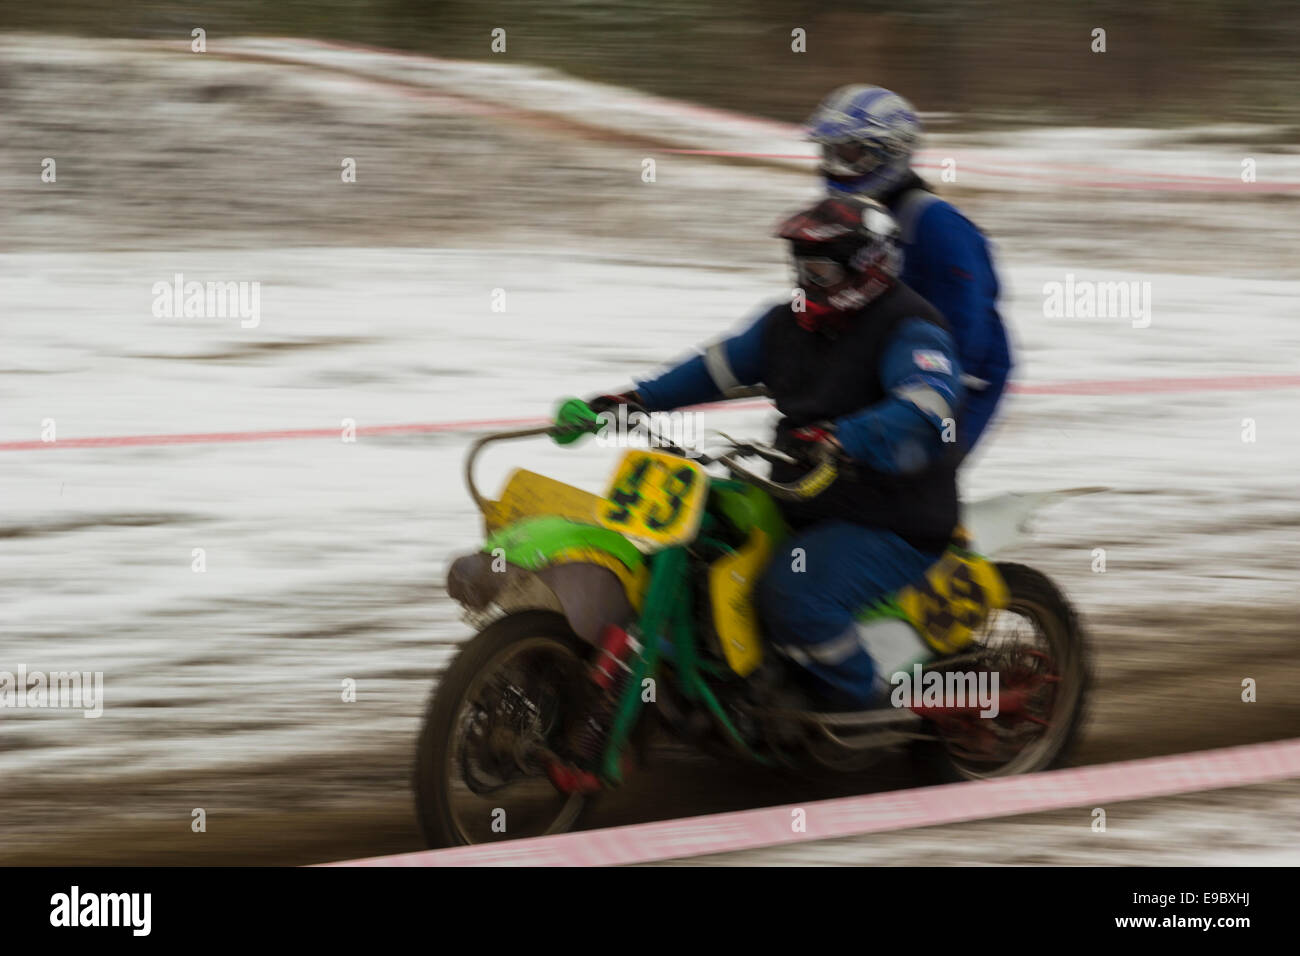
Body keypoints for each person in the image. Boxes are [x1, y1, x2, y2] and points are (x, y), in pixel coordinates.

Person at [558, 196, 963, 708]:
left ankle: (863, 704)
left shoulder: (910, 328)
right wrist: (634, 401)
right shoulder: (786, 324)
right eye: (800, 268)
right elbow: (715, 368)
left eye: (818, 269)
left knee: (794, 596)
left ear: (867, 268)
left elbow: (928, 406)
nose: (805, 283)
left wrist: (843, 437)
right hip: (802, 495)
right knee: (701, 549)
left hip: (893, 517)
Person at [806, 84, 1010, 453]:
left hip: (965, 371)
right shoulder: (857, 219)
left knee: (905, 467)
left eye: (850, 155)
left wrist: (944, 384)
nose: (836, 167)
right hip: (892, 358)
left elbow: (968, 311)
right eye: (829, 153)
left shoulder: (932, 222)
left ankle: (926, 502)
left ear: (890, 154)